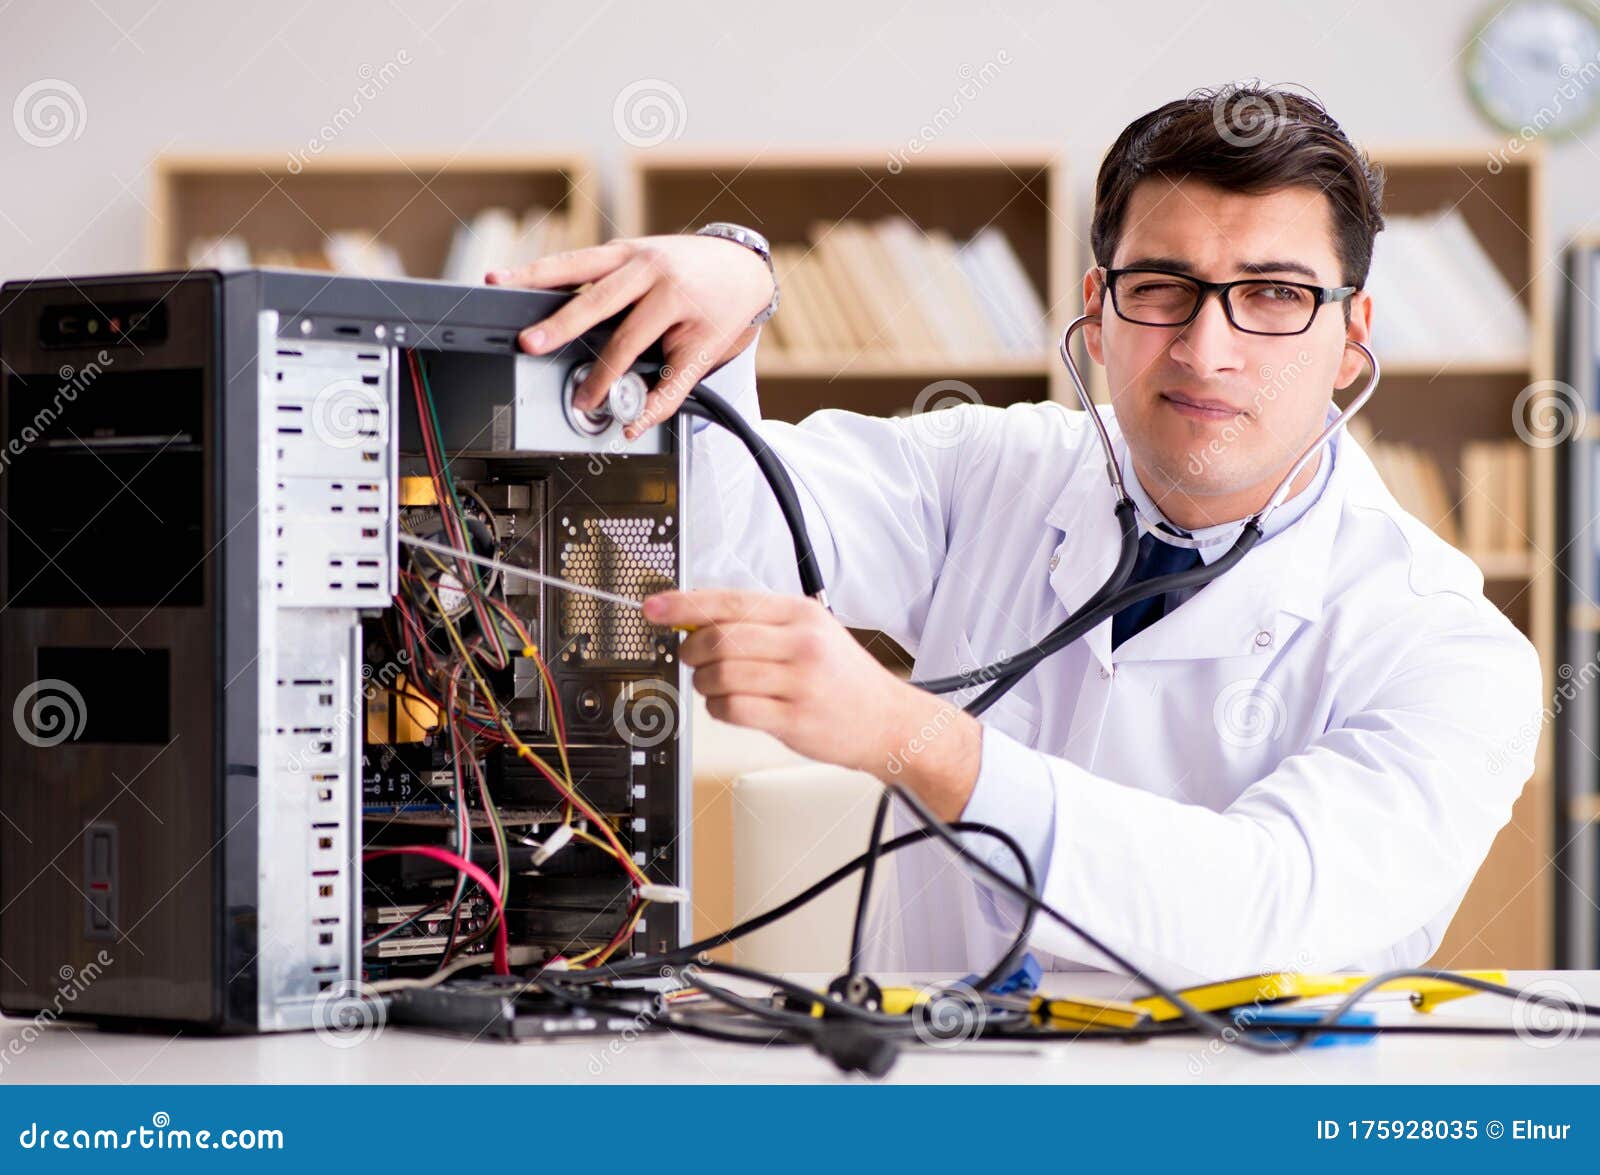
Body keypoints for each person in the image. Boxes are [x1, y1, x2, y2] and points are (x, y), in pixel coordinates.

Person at [487, 84, 1544, 982]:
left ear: (1352, 339)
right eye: (1161, 288)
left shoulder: (1447, 646)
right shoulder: (992, 467)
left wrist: (924, 741)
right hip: (935, 1098)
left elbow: (1267, 906)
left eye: (1271, 295)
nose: (1204, 347)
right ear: (1098, 305)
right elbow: (725, 544)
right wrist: (728, 297)